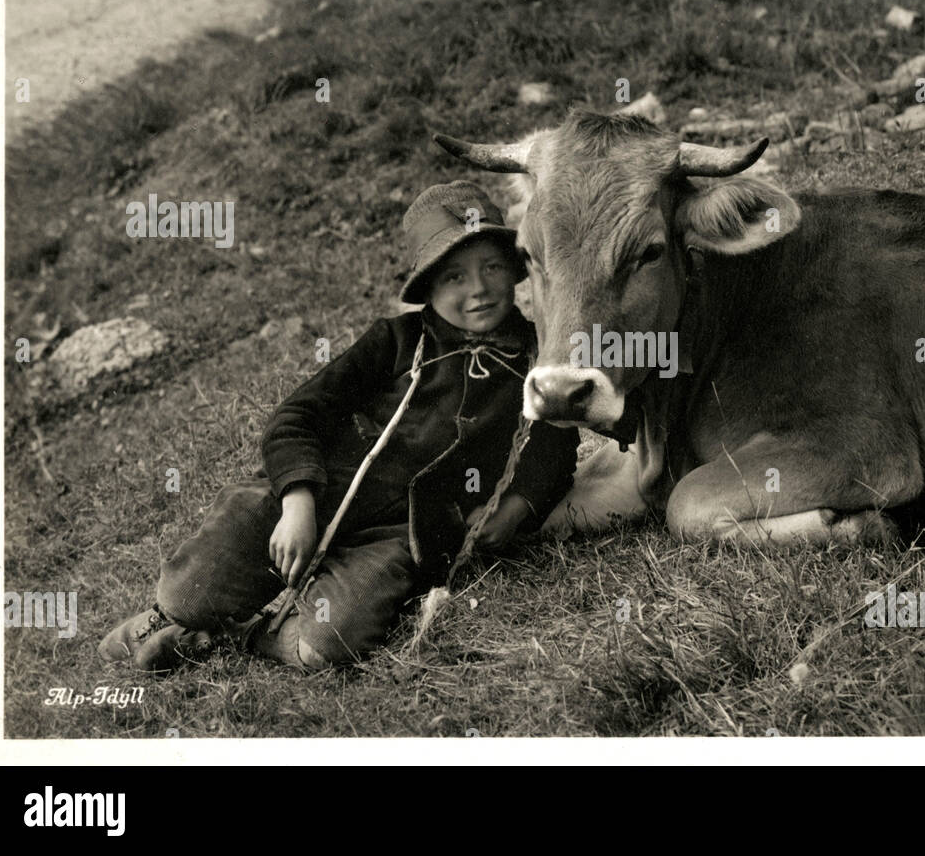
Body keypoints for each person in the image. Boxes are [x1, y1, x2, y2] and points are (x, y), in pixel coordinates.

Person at [98, 181, 578, 671]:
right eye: (454, 276)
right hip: (320, 490)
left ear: (516, 270)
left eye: (492, 267)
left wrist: (518, 507)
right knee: (188, 590)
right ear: (428, 288)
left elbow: (555, 447)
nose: (478, 289)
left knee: (326, 645)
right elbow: (298, 416)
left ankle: (230, 636)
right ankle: (175, 616)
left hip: (399, 535)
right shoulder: (394, 341)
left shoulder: (534, 358)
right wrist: (297, 501)